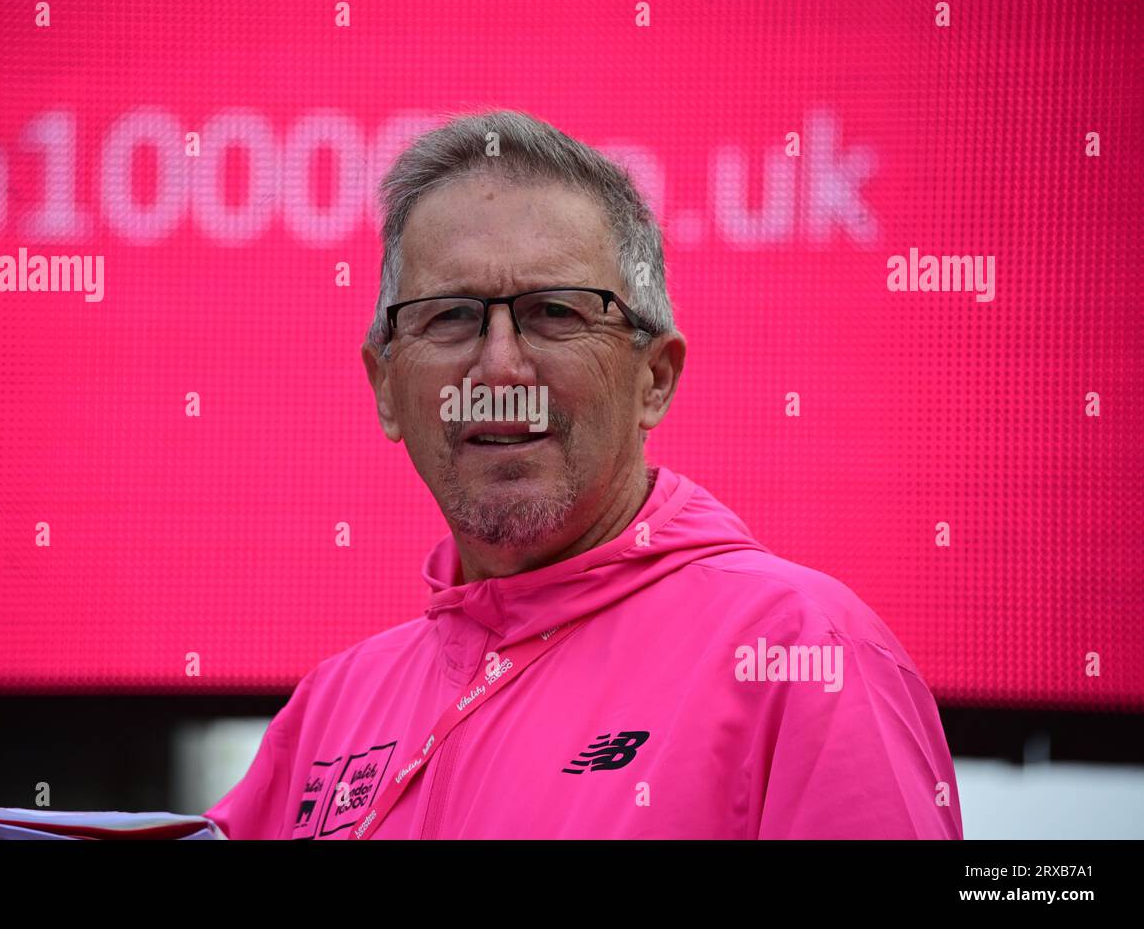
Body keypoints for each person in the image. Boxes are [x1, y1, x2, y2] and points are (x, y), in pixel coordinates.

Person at [203, 109, 963, 839]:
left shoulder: (804, 654)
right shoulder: (329, 712)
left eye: (556, 312)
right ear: (386, 390)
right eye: (451, 315)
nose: (501, 370)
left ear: (654, 378)